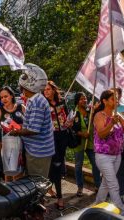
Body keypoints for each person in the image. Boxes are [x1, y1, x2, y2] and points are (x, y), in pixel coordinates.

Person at [9, 63, 55, 179]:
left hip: (38, 152)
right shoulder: (33, 99)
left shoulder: (37, 102)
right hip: (36, 149)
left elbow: (33, 130)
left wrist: (16, 132)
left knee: (36, 184)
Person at [93, 89, 124, 218]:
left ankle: (97, 204)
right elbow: (102, 134)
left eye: (117, 98)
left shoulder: (117, 115)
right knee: (113, 185)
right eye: (113, 98)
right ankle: (123, 214)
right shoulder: (99, 115)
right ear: (105, 101)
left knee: (106, 184)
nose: (117, 100)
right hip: (103, 156)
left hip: (117, 155)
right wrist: (111, 124)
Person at [43, 81, 71, 209]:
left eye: (48, 89)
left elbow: (67, 116)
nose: (46, 91)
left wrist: (69, 122)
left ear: (54, 90)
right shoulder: (43, 104)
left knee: (57, 165)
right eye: (45, 90)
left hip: (63, 136)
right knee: (56, 166)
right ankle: (60, 198)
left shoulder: (62, 102)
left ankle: (49, 186)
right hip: (51, 138)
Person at [72, 92, 101, 198]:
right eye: (81, 99)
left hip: (90, 141)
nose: (84, 100)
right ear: (77, 101)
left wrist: (94, 111)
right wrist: (81, 133)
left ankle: (98, 186)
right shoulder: (74, 112)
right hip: (79, 142)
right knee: (78, 165)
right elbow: (72, 128)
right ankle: (80, 187)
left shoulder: (90, 110)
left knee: (95, 164)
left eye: (85, 98)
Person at [0, 86, 25, 181]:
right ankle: (9, 192)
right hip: (7, 145)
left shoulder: (21, 107)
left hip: (22, 144)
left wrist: (20, 127)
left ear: (11, 96)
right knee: (8, 171)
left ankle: (19, 193)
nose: (4, 99)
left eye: (6, 96)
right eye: (1, 97)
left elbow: (30, 124)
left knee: (19, 172)